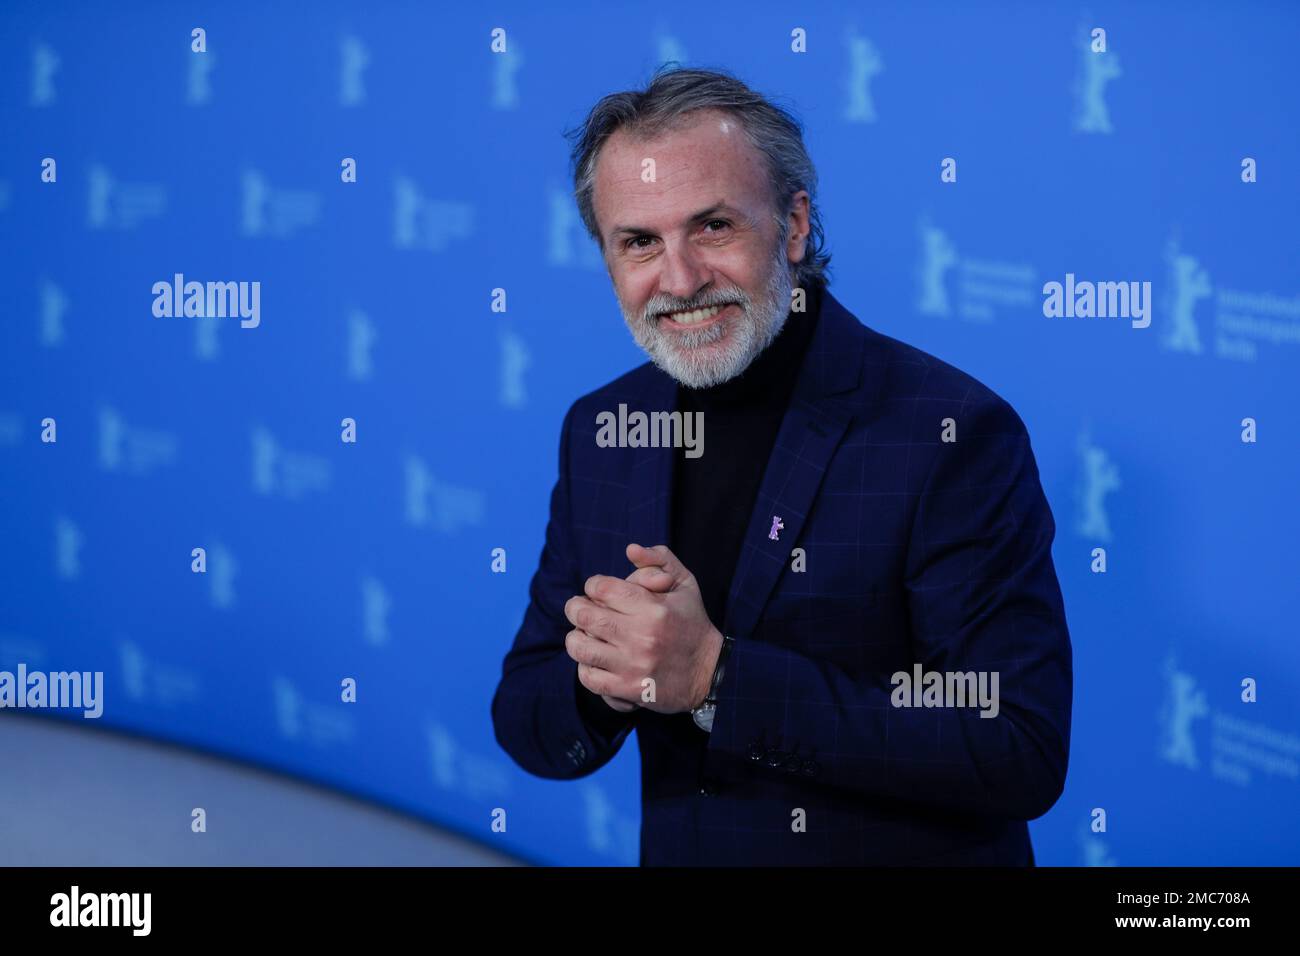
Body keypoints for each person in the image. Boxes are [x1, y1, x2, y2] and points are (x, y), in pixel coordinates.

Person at [491, 66, 1072, 865]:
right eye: (639, 242)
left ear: (794, 225)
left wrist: (716, 678)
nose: (681, 279)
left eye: (714, 227)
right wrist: (606, 681)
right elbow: (527, 716)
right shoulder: (602, 429)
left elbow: (1017, 746)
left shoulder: (948, 430)